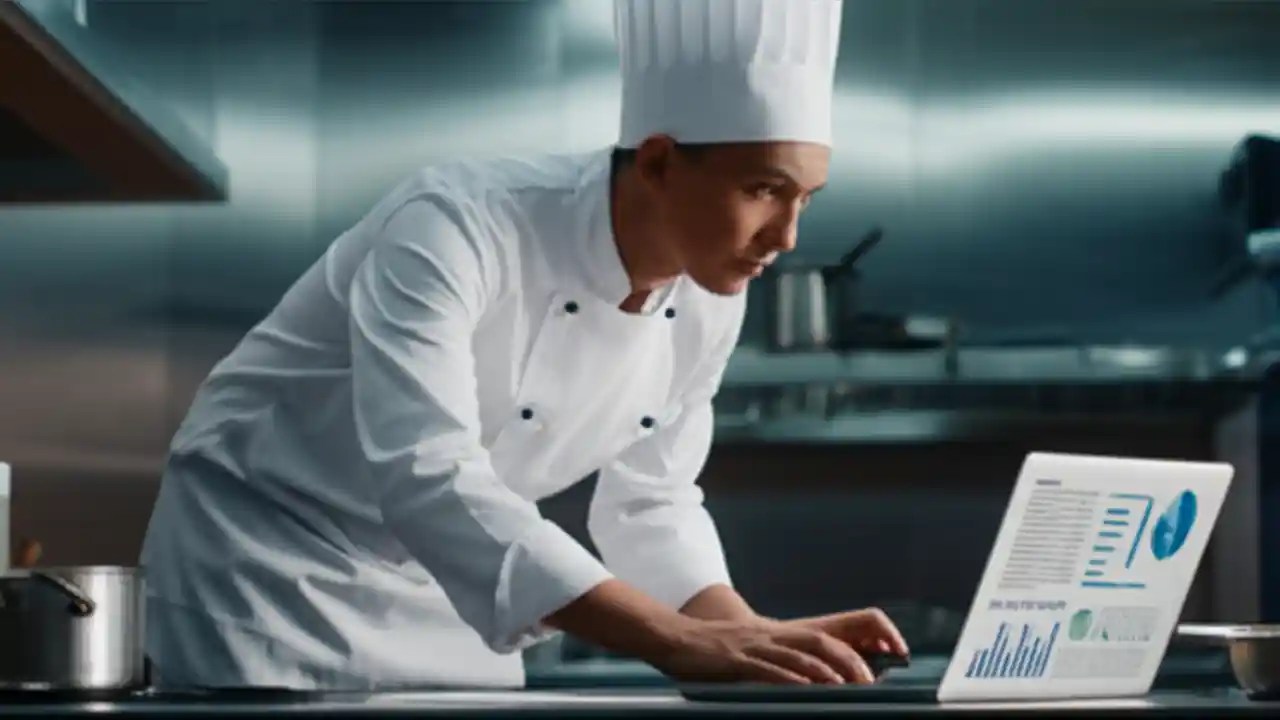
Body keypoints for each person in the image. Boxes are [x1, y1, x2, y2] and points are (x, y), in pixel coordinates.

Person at [140, 0, 908, 690]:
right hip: (268, 572)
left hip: (447, 595)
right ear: (659, 161)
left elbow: (652, 504)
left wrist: (749, 636)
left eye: (805, 198)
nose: (787, 237)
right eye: (763, 190)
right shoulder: (455, 225)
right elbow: (427, 469)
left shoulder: (708, 295)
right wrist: (672, 640)